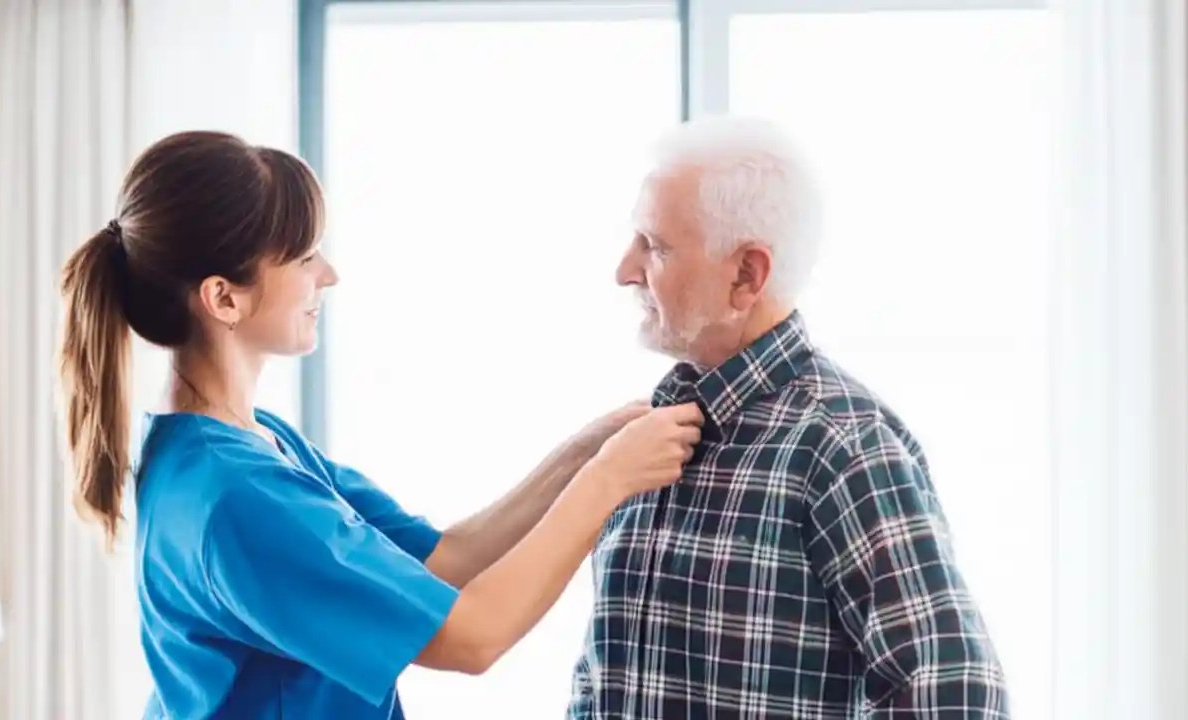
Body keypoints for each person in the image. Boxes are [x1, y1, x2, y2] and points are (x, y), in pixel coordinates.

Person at [55, 130, 704, 720]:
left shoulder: (245, 441)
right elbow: (471, 637)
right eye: (305, 258)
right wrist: (608, 481)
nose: (328, 276)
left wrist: (583, 453)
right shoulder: (236, 495)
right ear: (225, 297)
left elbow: (445, 558)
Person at [568, 116, 1008, 718]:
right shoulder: (644, 442)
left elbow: (953, 695)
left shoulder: (845, 445)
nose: (625, 269)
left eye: (657, 246)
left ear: (747, 275)